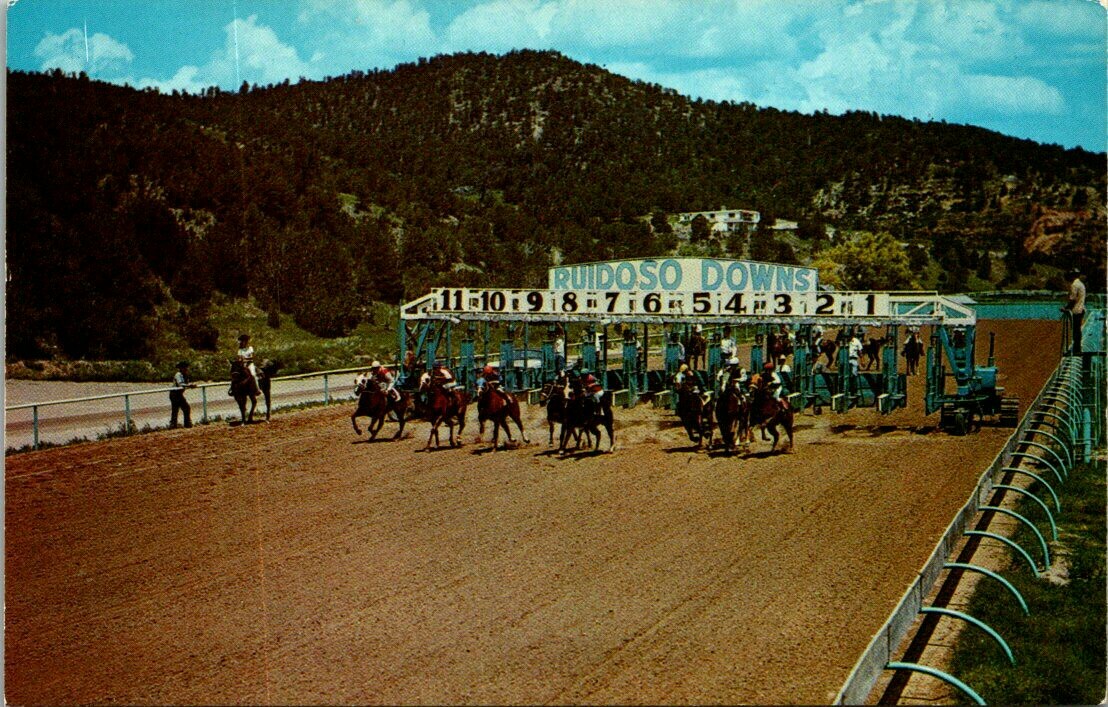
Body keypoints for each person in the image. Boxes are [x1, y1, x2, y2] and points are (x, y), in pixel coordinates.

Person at [1064, 268, 1086, 355]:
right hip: (1081, 309)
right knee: (1077, 330)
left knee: (1076, 331)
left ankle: (1076, 350)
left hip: (1076, 310)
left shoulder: (1074, 285)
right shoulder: (1080, 284)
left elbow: (1072, 299)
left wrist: (1066, 308)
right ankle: (1077, 349)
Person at [170, 360, 195, 429]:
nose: (186, 369)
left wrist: (189, 385)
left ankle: (185, 423)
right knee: (177, 409)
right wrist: (189, 385)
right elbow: (180, 384)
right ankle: (174, 424)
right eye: (184, 367)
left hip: (179, 393)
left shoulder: (185, 375)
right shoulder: (178, 375)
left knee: (185, 408)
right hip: (174, 393)